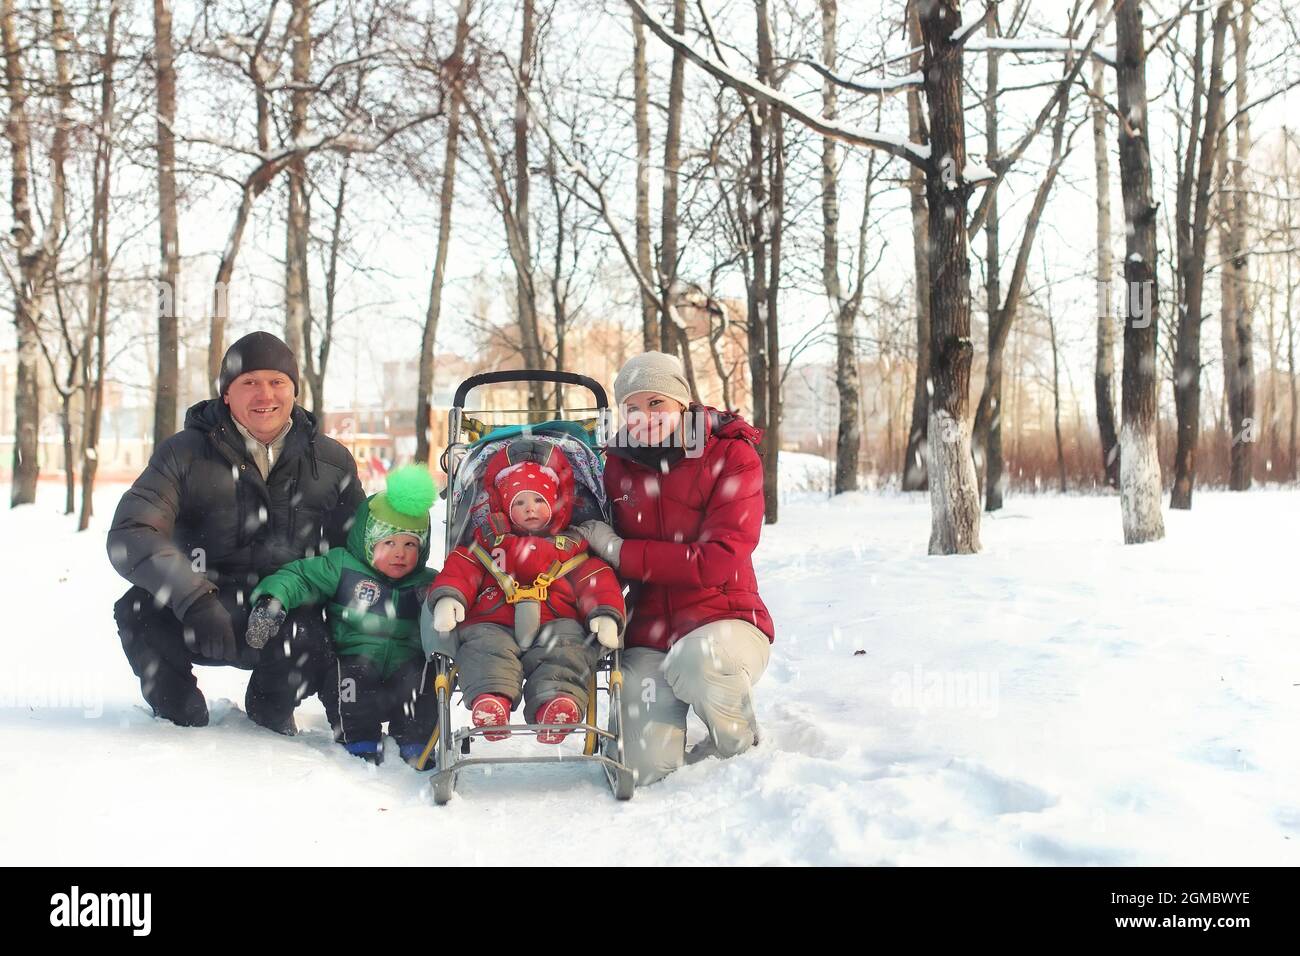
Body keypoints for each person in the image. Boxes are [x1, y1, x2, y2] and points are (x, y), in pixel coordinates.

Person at [107, 331, 364, 733]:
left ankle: (271, 707)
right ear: (227, 394)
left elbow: (358, 552)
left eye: (277, 382)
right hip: (200, 609)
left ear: (294, 390)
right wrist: (192, 598)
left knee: (325, 630)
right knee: (138, 610)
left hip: (286, 614)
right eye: (249, 383)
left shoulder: (331, 461)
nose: (265, 394)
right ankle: (178, 716)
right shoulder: (183, 453)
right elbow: (132, 531)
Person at [573, 352, 774, 786]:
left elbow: (719, 558)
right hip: (651, 634)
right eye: (632, 407)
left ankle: (740, 745)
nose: (644, 416)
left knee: (697, 659)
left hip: (726, 621)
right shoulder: (617, 467)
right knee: (639, 770)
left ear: (682, 402)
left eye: (656, 403)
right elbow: (606, 564)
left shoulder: (732, 456)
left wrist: (621, 551)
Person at [426, 441, 625, 744]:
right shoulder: (488, 543)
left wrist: (605, 613)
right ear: (504, 507)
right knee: (483, 646)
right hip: (494, 618)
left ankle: (555, 704)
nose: (529, 507)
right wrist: (450, 596)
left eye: (537, 499)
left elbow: (596, 579)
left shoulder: (572, 546)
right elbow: (462, 567)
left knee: (568, 649)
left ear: (556, 503)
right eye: (519, 503)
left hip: (557, 622)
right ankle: (491, 699)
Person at [245, 465, 439, 767]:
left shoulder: (426, 581)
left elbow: (455, 596)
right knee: (349, 682)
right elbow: (300, 577)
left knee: (425, 680)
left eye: (410, 544)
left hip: (406, 664)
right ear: (368, 541)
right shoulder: (343, 566)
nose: (400, 554)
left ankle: (415, 740)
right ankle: (359, 740)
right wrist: (274, 599)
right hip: (354, 659)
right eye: (389, 543)